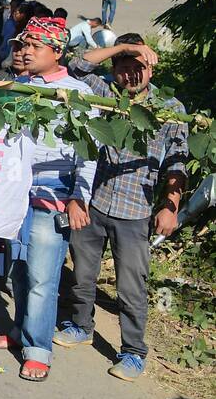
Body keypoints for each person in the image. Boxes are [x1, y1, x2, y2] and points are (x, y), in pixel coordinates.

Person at [55, 36, 187, 381]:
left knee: (131, 286)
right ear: (114, 69)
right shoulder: (102, 91)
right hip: (94, 201)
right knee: (82, 274)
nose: (130, 75)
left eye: (138, 67)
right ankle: (81, 326)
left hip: (136, 208)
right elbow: (78, 64)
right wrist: (121, 50)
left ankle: (132, 351)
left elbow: (177, 162)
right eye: (123, 67)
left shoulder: (168, 107)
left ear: (150, 68)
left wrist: (170, 206)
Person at [0, 16, 97, 381]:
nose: (26, 51)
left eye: (35, 45)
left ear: (57, 51)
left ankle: (39, 350)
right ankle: (19, 332)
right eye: (23, 44)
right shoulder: (18, 86)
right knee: (17, 270)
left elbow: (89, 152)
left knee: (43, 277)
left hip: (53, 195)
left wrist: (79, 196)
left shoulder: (76, 92)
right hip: (15, 194)